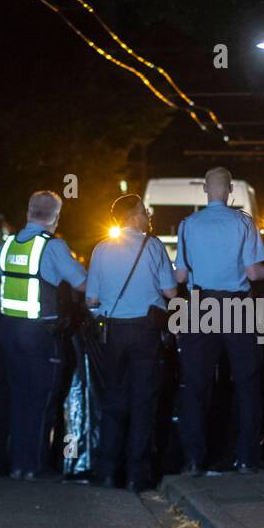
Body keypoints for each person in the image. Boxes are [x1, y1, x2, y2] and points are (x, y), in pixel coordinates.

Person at [173, 166, 264, 475]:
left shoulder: (188, 225)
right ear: (230, 190)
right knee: (247, 384)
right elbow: (253, 273)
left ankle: (194, 460)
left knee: (196, 386)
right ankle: (247, 458)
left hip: (200, 307)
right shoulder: (244, 222)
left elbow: (180, 276)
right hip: (236, 307)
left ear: (206, 189)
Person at [85, 194, 177, 491]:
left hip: (112, 333)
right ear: (133, 217)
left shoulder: (100, 249)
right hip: (145, 331)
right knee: (144, 401)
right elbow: (171, 292)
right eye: (143, 211)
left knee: (112, 401)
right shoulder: (153, 247)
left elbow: (91, 299)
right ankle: (138, 474)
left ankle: (109, 470)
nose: (147, 215)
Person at [0, 190, 86, 481]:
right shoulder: (53, 247)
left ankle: (18, 465)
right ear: (56, 218)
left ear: (27, 212)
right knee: (43, 399)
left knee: (20, 398)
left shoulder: (7, 244)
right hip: (40, 333)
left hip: (9, 330)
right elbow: (82, 282)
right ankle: (35, 467)